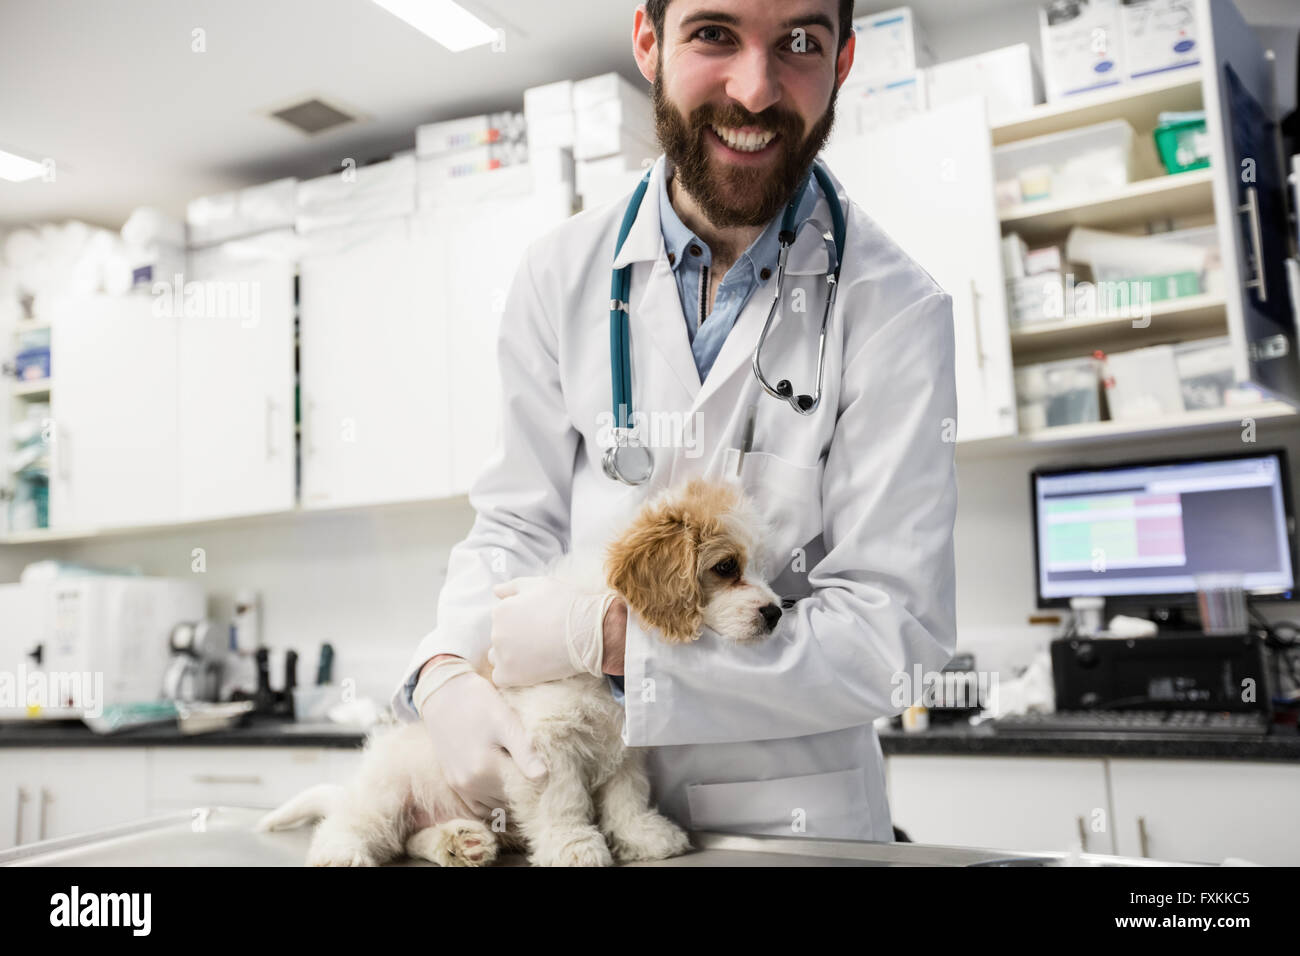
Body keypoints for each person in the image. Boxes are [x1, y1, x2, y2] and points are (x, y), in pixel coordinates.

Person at [390, 0, 958, 841]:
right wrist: (442, 670)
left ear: (842, 63)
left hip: (794, 830)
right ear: (649, 42)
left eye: (800, 42)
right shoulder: (559, 275)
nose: (757, 91)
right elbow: (514, 523)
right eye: (714, 34)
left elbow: (894, 630)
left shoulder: (897, 311)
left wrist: (619, 642)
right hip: (577, 798)